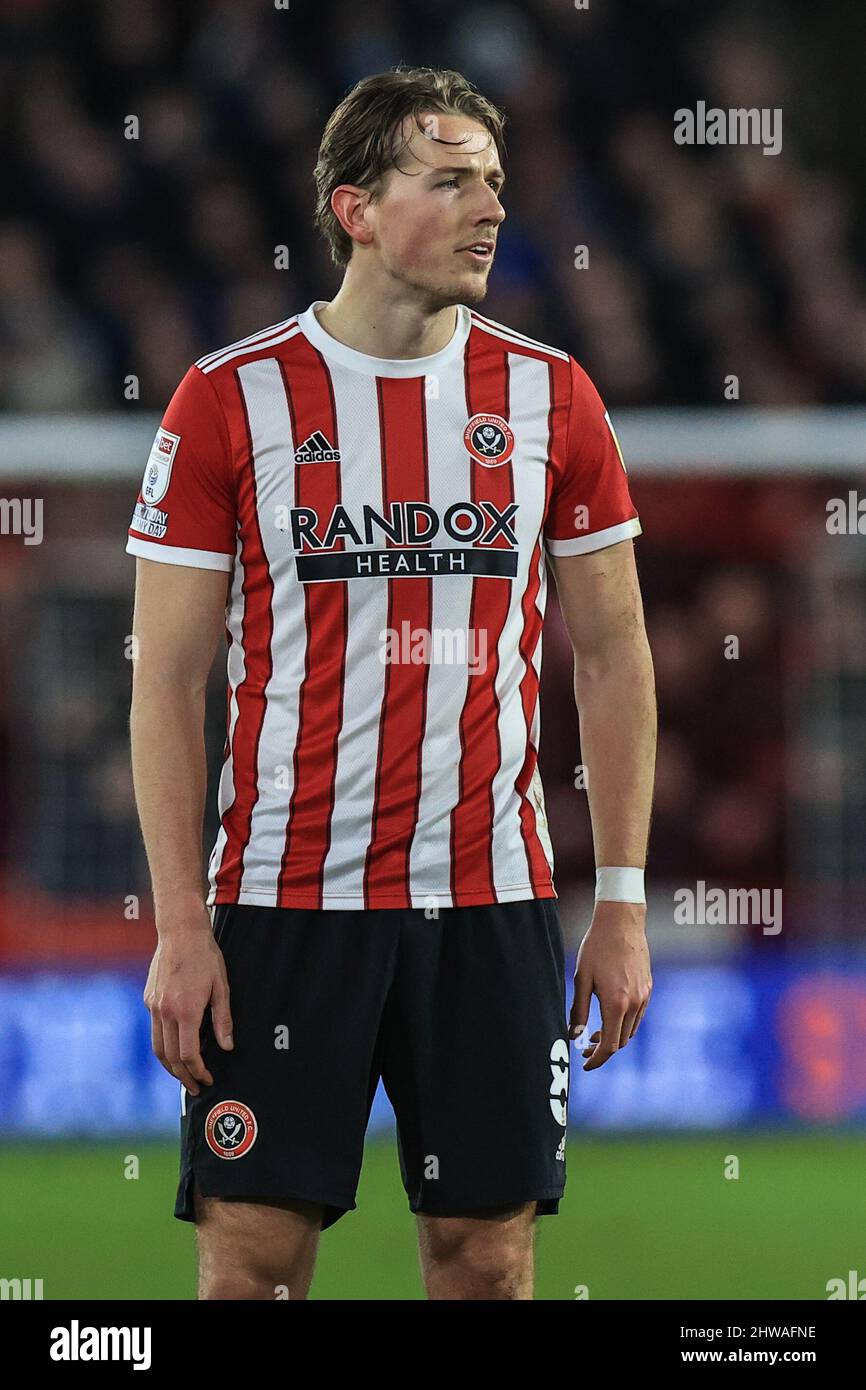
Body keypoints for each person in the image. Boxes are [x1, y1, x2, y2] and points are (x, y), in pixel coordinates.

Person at [127, 65, 655, 1301]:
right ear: (356, 208)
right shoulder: (228, 400)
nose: (490, 207)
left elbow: (618, 652)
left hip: (490, 899)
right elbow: (167, 682)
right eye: (451, 179)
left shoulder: (549, 395)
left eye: (495, 181)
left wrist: (621, 897)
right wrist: (178, 925)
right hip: (281, 899)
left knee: (486, 1261)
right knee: (251, 1264)